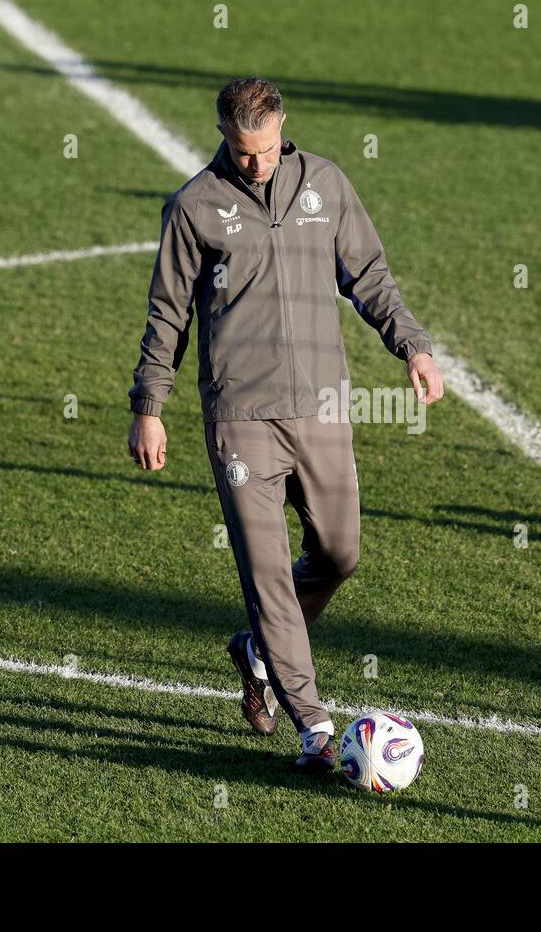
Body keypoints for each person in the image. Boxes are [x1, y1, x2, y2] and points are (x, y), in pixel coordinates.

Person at [127, 77, 444, 771]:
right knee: (267, 575)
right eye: (244, 153)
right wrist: (149, 407)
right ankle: (314, 726)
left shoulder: (325, 184)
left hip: (323, 408)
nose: (258, 164)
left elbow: (370, 276)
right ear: (224, 136)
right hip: (240, 418)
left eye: (267, 149)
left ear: (283, 129)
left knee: (339, 555)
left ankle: (256, 648)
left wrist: (413, 346)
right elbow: (167, 314)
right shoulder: (193, 207)